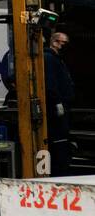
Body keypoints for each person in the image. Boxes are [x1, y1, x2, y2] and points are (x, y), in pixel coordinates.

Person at [44, 29, 74, 176]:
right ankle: (58, 167)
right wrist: (57, 102)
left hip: (61, 102)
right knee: (58, 135)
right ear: (54, 42)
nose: (64, 46)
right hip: (55, 105)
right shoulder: (49, 59)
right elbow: (51, 83)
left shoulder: (57, 58)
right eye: (62, 42)